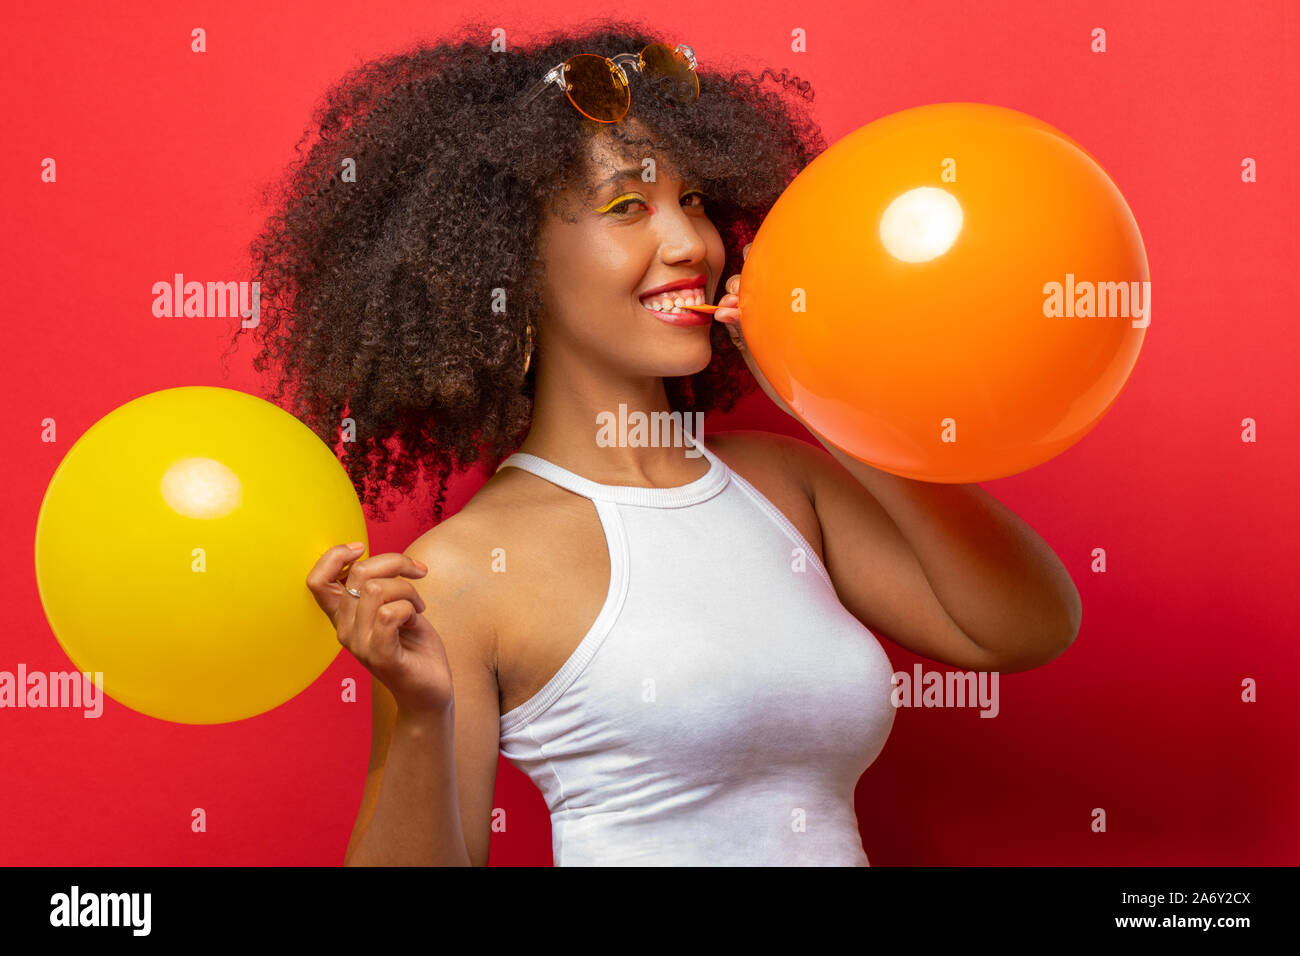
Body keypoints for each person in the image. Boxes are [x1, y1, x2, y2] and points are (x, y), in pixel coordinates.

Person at [238, 21, 1082, 866]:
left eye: (696, 203)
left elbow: (1022, 629)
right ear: (511, 266)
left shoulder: (788, 484)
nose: (692, 246)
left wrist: (831, 402)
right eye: (628, 207)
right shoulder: (460, 574)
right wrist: (421, 715)